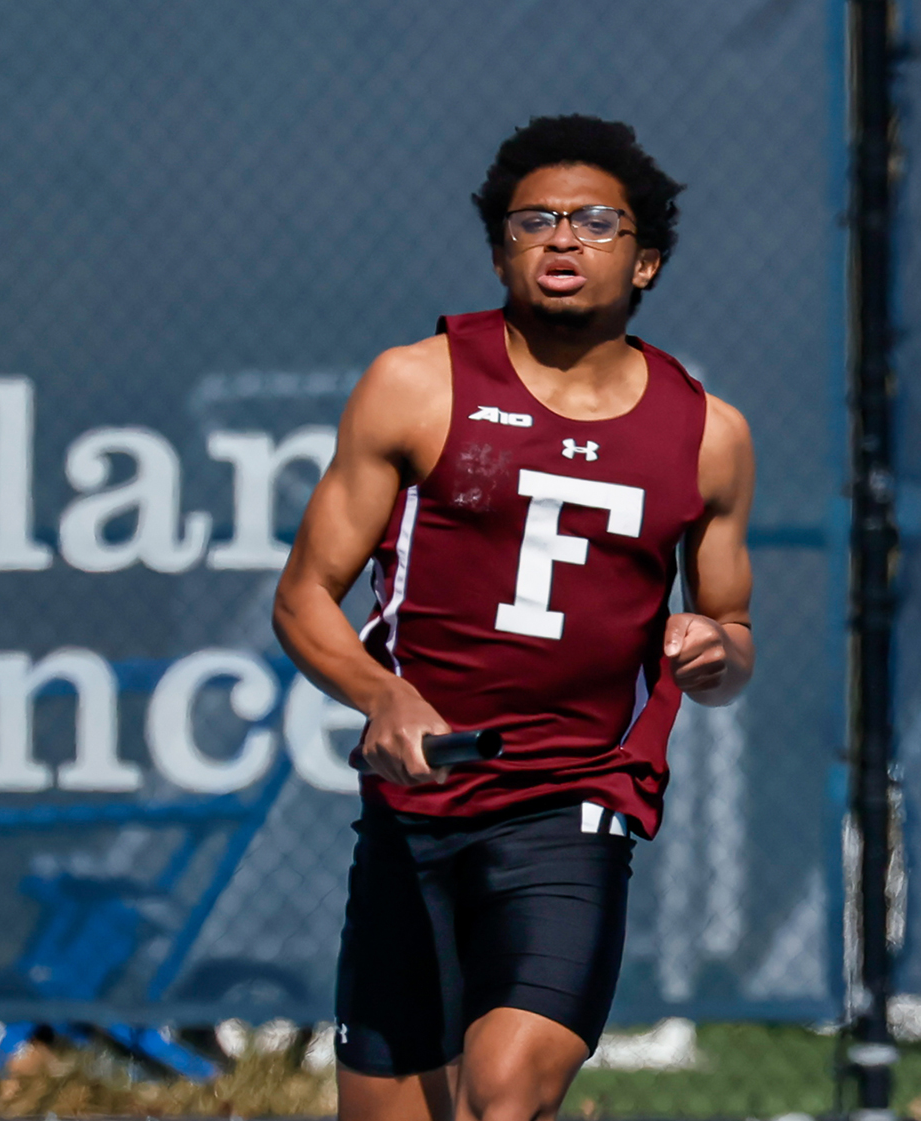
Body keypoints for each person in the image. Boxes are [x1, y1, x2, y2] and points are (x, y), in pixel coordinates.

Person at [273, 115, 756, 1121]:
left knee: (504, 1095)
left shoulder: (706, 433)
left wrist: (716, 649)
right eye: (533, 219)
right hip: (416, 807)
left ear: (647, 259)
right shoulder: (417, 382)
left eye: (595, 221)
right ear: (499, 249)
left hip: (569, 804)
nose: (563, 238)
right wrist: (382, 693)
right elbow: (302, 596)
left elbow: (732, 624)